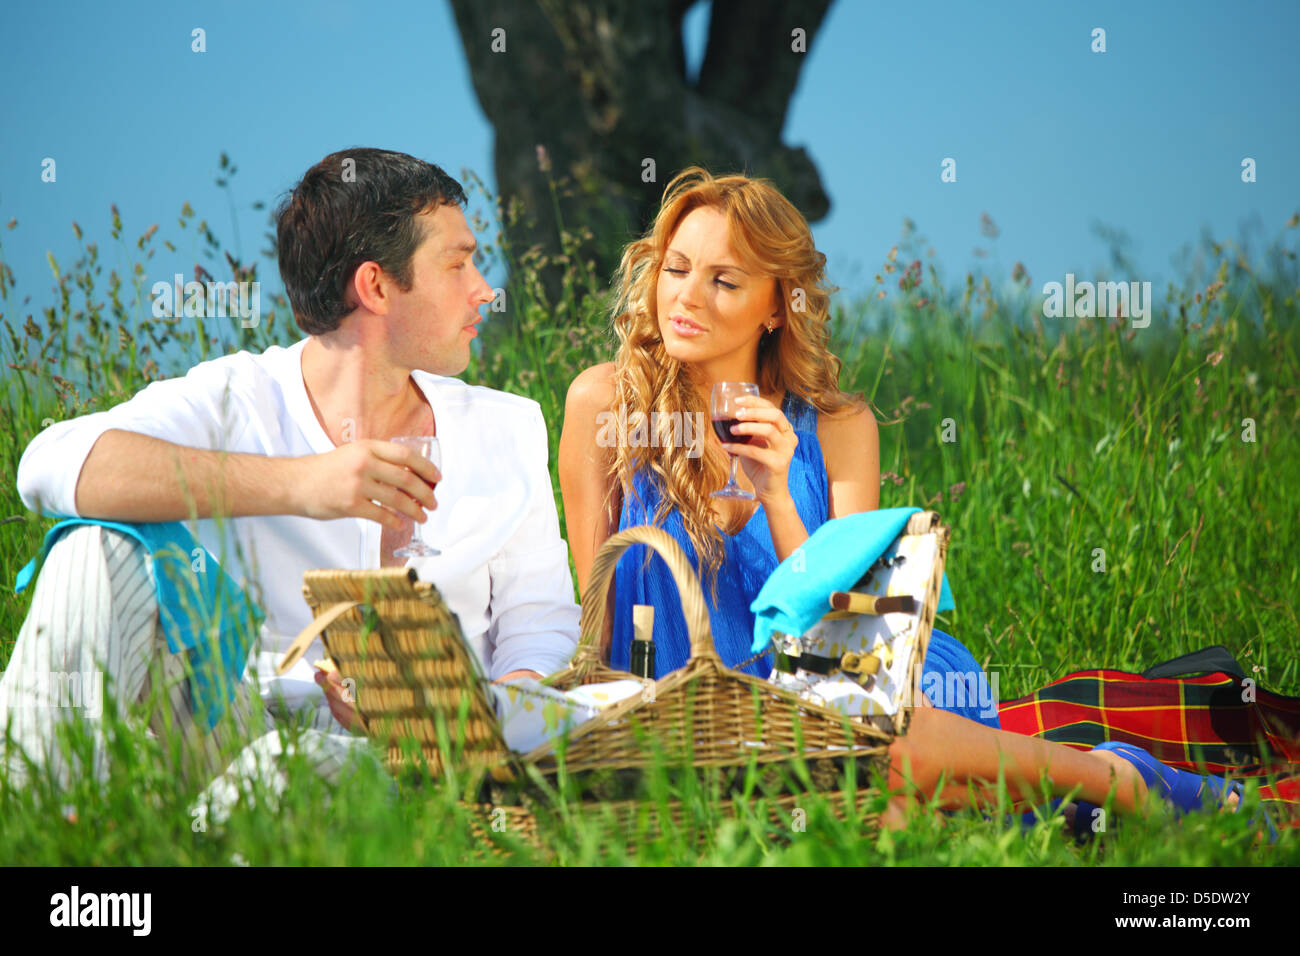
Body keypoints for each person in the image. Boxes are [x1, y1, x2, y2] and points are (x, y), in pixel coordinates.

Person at [558, 166, 1244, 828]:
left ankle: (1123, 783)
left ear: (776, 306)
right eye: (676, 270)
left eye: (724, 281)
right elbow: (595, 621)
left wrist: (778, 498)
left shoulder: (836, 426)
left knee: (871, 745)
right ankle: (1069, 782)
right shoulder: (605, 405)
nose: (687, 297)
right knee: (877, 792)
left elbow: (849, 633)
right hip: (691, 715)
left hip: (844, 691)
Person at [4, 148, 579, 798]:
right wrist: (304, 485)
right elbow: (50, 464)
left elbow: (543, 626)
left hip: (419, 766)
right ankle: (38, 825)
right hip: (231, 733)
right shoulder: (238, 399)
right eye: (457, 263)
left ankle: (181, 836)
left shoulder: (507, 428)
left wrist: (469, 720)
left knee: (300, 775)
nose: (484, 288)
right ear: (377, 287)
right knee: (94, 547)